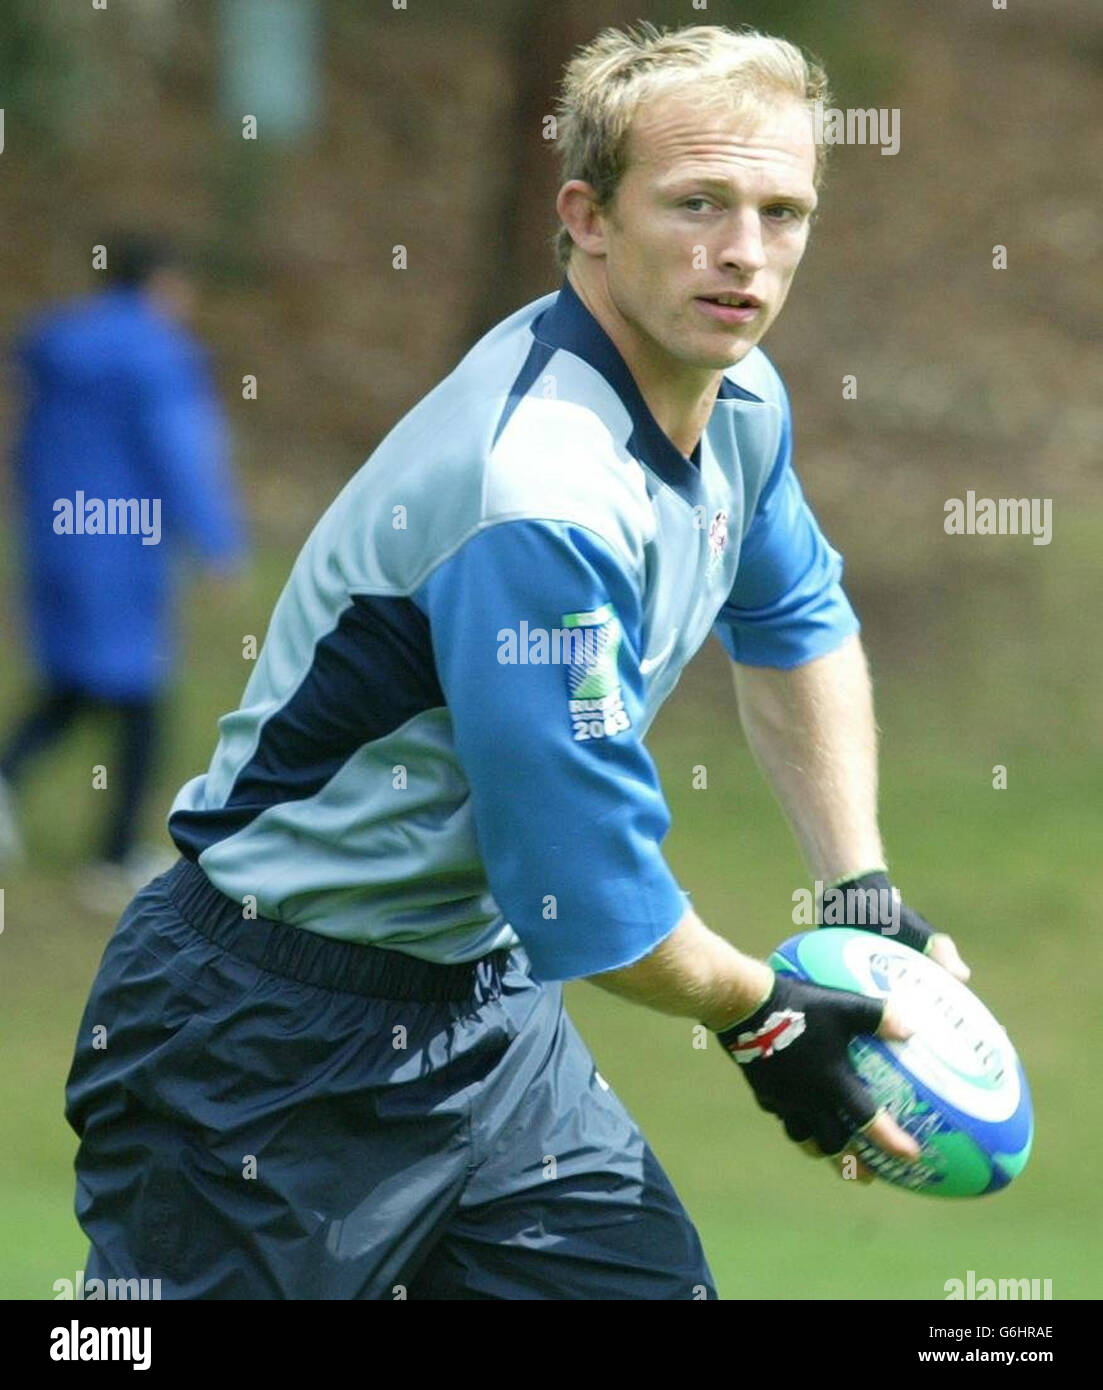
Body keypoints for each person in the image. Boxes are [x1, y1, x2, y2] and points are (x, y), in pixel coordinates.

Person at [64, 25, 969, 1299]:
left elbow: (794, 620)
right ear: (586, 217)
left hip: (485, 1024)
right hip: (259, 1031)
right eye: (697, 204)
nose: (744, 254)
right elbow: (580, 895)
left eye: (782, 211)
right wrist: (767, 1019)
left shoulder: (740, 401)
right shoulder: (538, 495)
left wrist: (857, 889)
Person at [0, 234, 247, 906]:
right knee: (141, 699)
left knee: (72, 683)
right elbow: (180, 453)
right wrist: (218, 542)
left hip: (55, 537)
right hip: (123, 548)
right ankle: (113, 857)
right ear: (163, 285)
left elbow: (21, 444)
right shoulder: (159, 357)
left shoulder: (53, 345)